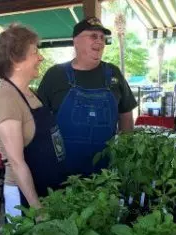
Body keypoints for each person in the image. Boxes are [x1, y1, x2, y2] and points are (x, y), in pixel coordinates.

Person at [38, 17, 136, 177]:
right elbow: (39, 120)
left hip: (104, 173)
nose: (99, 41)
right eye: (93, 36)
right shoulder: (55, 75)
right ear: (75, 41)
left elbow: (125, 114)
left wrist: (126, 154)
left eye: (102, 37)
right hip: (62, 173)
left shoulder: (114, 74)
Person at [0, 24, 66, 217]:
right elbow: (16, 163)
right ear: (16, 60)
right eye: (35, 52)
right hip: (26, 198)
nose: (41, 57)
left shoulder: (29, 92)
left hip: (48, 190)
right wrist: (37, 209)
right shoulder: (6, 99)